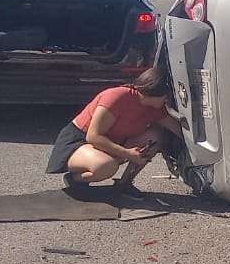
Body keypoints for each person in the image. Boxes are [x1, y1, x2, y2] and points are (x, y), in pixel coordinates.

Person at [46, 67, 181, 198]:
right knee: (106, 166)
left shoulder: (155, 108)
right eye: (166, 96)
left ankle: (125, 184)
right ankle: (75, 179)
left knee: (154, 137)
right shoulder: (117, 96)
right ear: (156, 92)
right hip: (80, 141)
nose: (168, 100)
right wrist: (128, 153)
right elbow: (93, 136)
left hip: (113, 143)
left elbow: (178, 130)